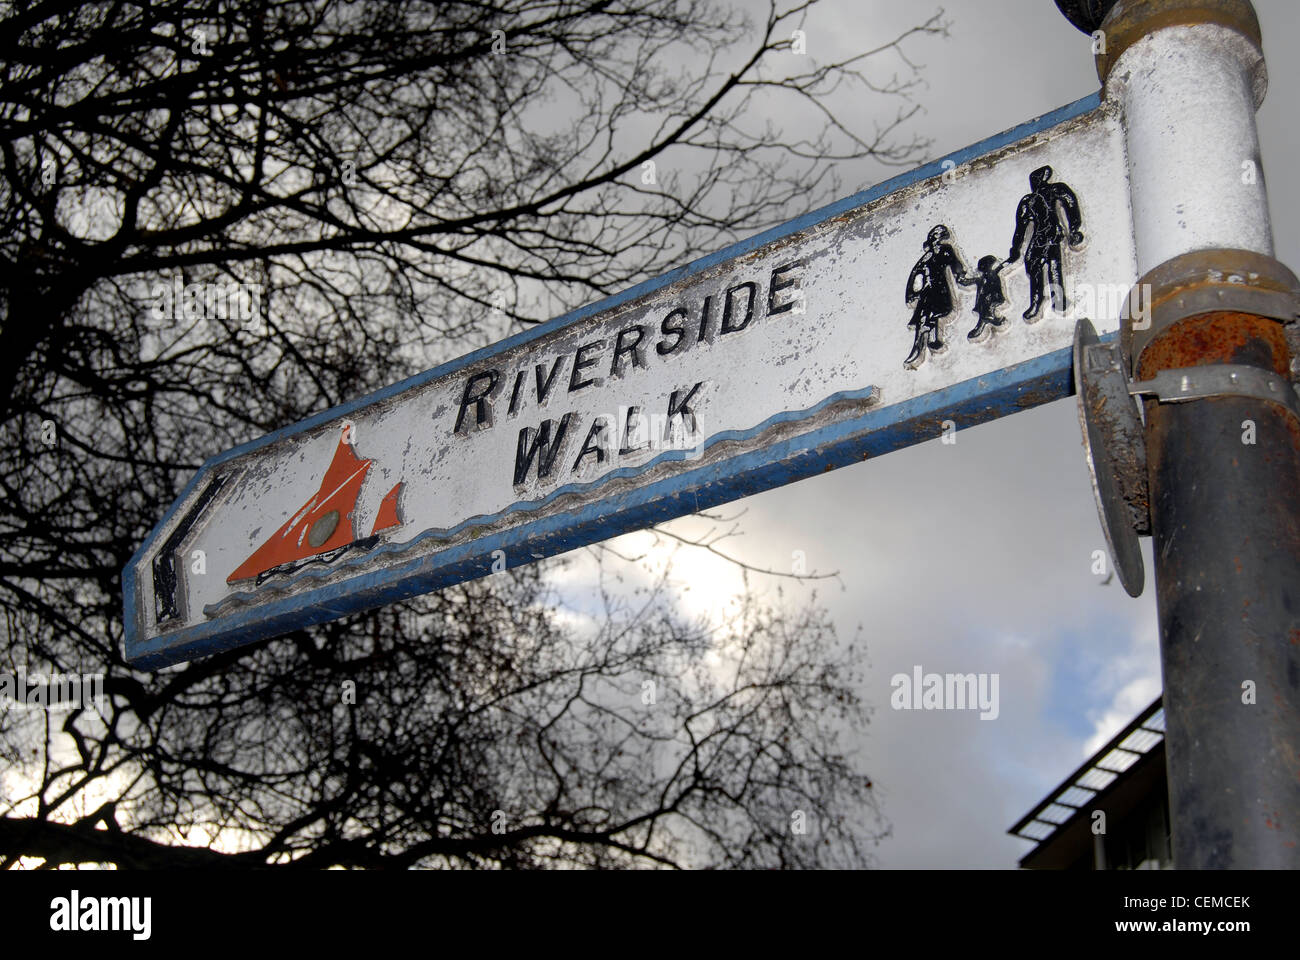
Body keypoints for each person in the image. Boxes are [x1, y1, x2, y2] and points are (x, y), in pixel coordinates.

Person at [1006, 165, 1083, 320]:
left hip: (1053, 234)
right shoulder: (1028, 200)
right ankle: (1037, 301)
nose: (1035, 182)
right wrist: (1015, 248)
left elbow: (1070, 204)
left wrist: (1074, 228)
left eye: (1038, 178)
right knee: (1033, 264)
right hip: (1039, 237)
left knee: (1053, 265)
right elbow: (1020, 227)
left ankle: (1058, 299)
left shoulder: (1054, 189)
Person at [905, 224, 968, 368]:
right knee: (924, 318)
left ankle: (933, 340)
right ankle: (918, 349)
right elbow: (915, 274)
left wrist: (962, 278)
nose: (936, 241)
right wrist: (912, 294)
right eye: (934, 237)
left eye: (938, 237)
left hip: (939, 288)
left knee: (934, 315)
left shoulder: (946, 250)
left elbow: (956, 267)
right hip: (928, 291)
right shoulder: (928, 256)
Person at [957, 255, 1009, 340]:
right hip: (984, 301)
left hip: (994, 299)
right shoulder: (981, 278)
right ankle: (994, 320)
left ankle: (984, 324)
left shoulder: (995, 275)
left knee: (985, 312)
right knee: (984, 309)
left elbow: (1003, 267)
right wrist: (961, 278)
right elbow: (967, 282)